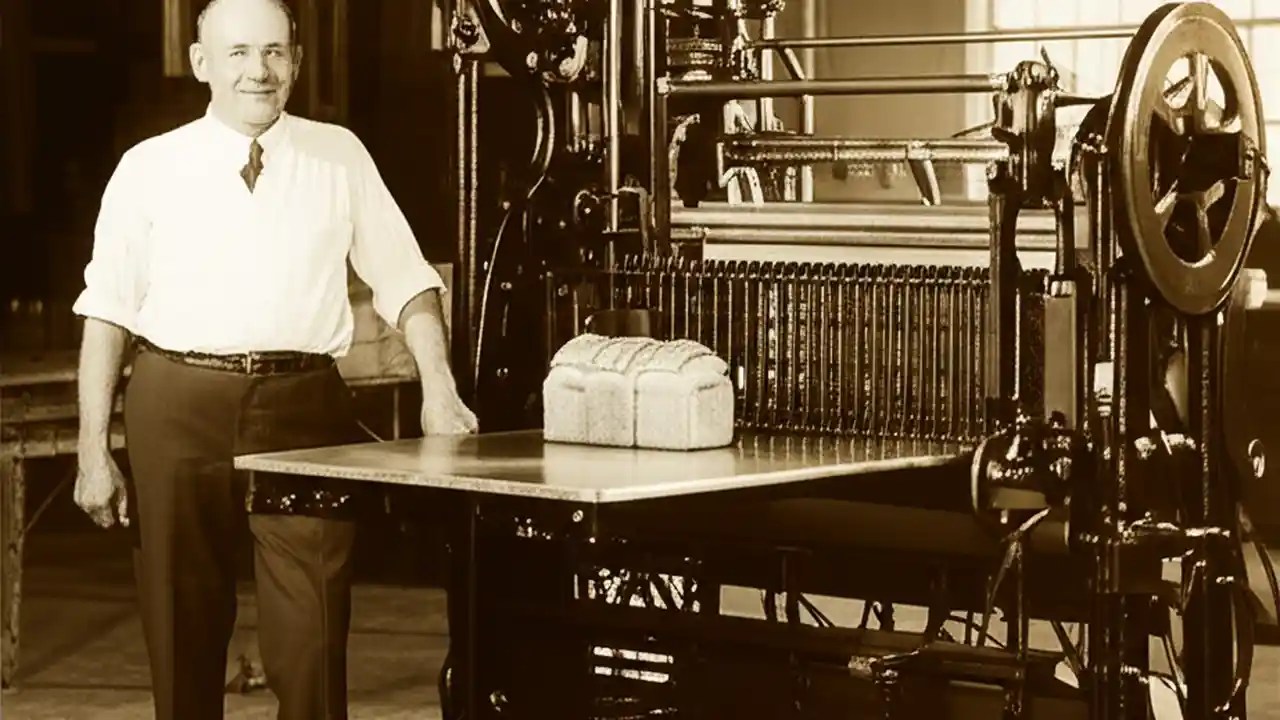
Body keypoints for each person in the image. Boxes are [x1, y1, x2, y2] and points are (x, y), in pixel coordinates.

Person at [70, 0, 477, 717]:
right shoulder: (149, 167)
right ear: (202, 64)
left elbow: (408, 280)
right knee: (182, 622)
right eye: (237, 54)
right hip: (177, 402)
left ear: (295, 61)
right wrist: (91, 450)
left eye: (273, 52)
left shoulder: (338, 154)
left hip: (305, 410)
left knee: (314, 630)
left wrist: (437, 388)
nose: (258, 71)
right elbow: (107, 311)